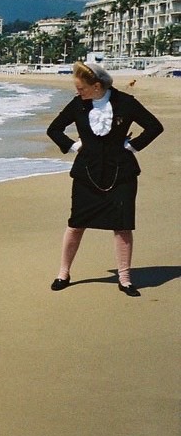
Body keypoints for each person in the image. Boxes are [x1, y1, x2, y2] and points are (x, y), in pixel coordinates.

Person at [46, 61, 163, 296]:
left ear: (97, 86)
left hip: (122, 173)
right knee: (76, 224)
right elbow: (54, 129)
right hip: (86, 173)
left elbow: (154, 126)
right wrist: (74, 146)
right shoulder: (78, 104)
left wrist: (132, 146)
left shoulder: (125, 103)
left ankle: (125, 279)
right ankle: (63, 273)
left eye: (81, 88)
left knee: (122, 226)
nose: (77, 91)